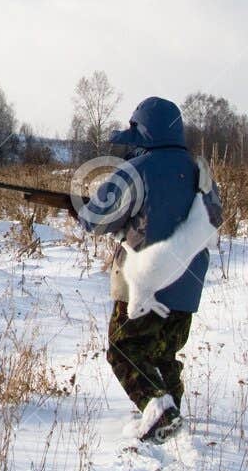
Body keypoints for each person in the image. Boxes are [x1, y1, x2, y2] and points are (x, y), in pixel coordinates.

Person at [79, 96, 222, 443]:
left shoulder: (135, 170)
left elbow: (94, 220)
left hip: (145, 283)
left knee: (123, 350)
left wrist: (88, 211)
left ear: (144, 131)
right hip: (187, 284)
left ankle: (159, 410)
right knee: (163, 352)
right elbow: (213, 219)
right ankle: (171, 414)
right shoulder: (199, 170)